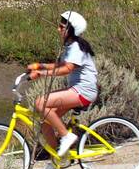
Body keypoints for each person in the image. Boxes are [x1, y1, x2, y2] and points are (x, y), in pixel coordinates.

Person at [26, 10, 99, 160]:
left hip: (83, 91)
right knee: (45, 123)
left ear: (71, 29)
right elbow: (61, 64)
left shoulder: (77, 47)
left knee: (40, 102)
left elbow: (67, 69)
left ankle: (66, 136)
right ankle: (58, 159)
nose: (58, 29)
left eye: (61, 26)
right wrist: (41, 65)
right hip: (76, 90)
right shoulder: (71, 46)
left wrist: (41, 74)